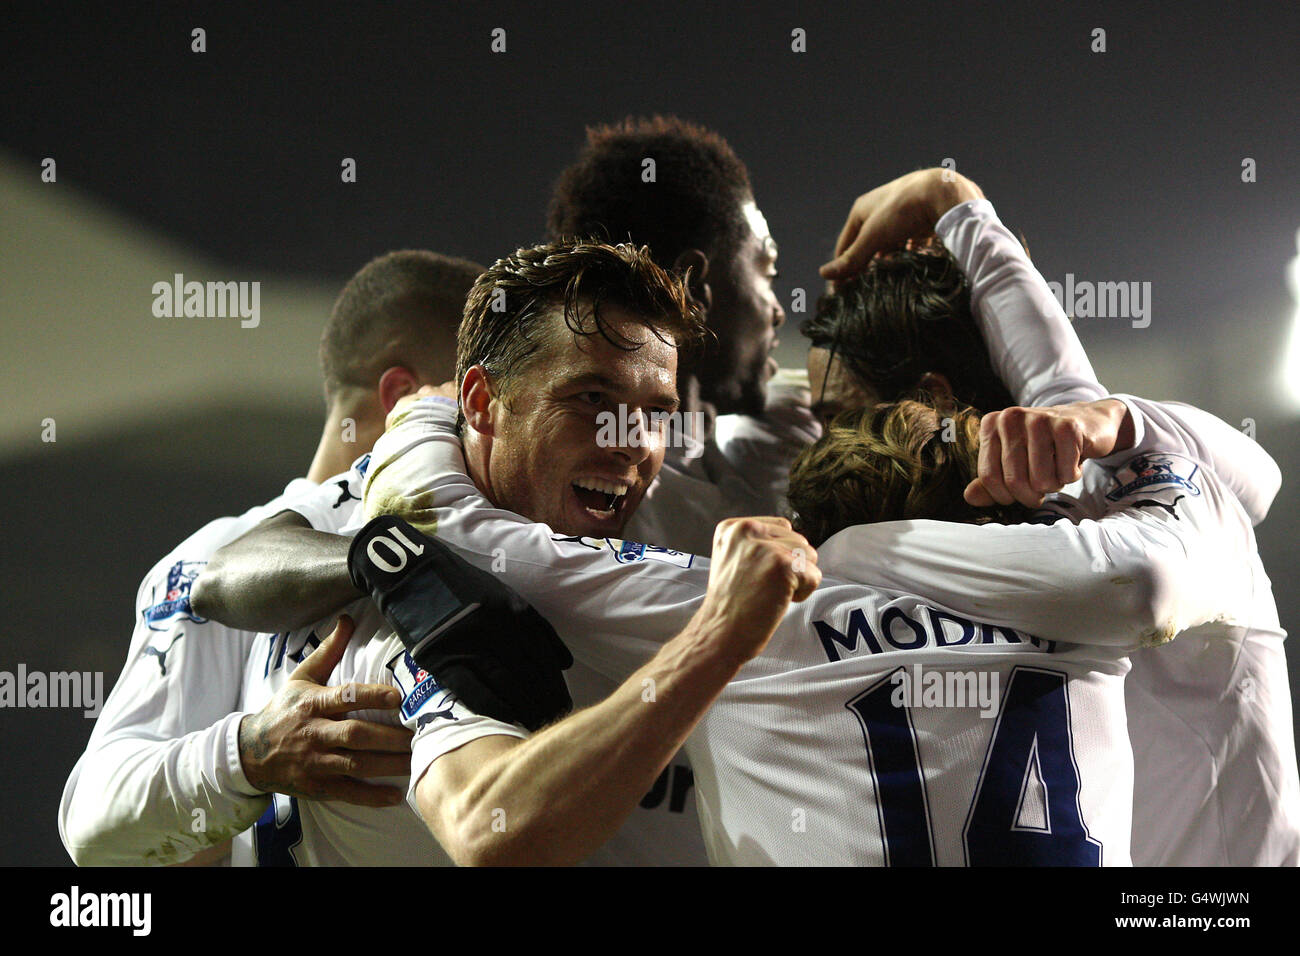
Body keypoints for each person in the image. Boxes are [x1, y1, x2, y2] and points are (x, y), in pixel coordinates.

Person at [346, 376, 1252, 865]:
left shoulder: (741, 604)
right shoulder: (1093, 588)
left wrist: (429, 404)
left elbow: (454, 528)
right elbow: (1238, 488)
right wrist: (1119, 422)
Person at [810, 167, 1299, 866]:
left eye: (832, 417)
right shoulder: (1007, 521)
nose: (820, 446)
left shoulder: (1142, 501)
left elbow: (1140, 582)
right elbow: (1059, 387)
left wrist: (844, 553)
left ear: (926, 402)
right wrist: (956, 206)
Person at [58, 249, 484, 866]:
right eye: (467, 396)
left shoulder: (485, 547)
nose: (488, 424)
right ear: (403, 397)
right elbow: (93, 819)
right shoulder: (211, 560)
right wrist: (251, 752)